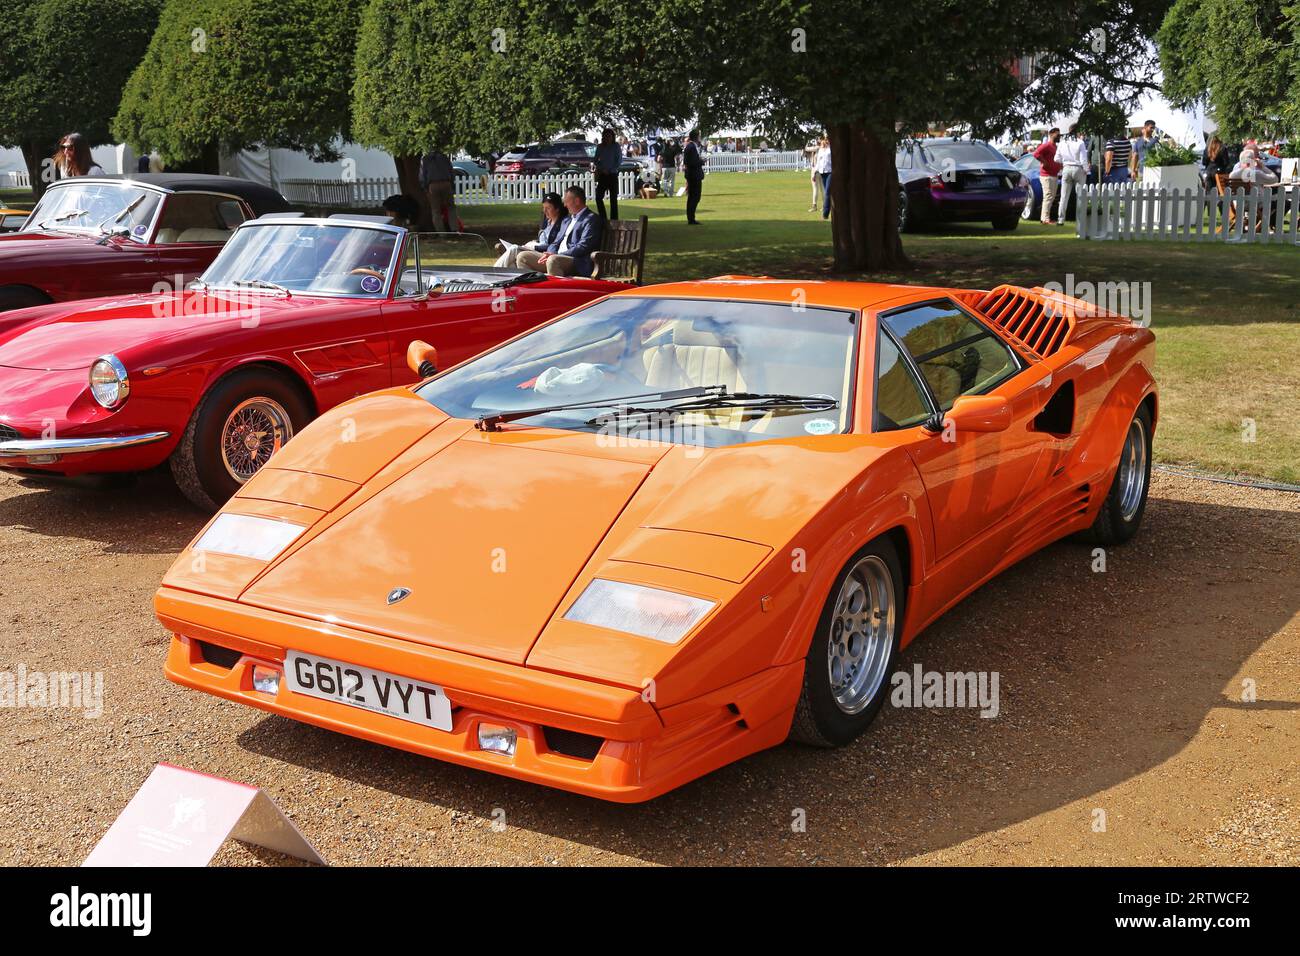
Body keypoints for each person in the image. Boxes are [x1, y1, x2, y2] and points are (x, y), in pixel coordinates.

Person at [516, 185, 600, 276]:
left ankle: (555, 290)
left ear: (577, 201)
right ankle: (535, 288)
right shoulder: (568, 220)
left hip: (576, 261)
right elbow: (556, 242)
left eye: (567, 201)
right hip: (557, 257)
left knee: (553, 261)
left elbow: (583, 247)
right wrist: (551, 252)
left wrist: (559, 254)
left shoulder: (591, 219)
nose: (564, 205)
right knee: (523, 257)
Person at [494, 192, 568, 267]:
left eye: (548, 208)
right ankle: (498, 275)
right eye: (543, 208)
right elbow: (542, 239)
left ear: (557, 209)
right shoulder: (547, 221)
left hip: (544, 253)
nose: (544, 211)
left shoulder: (563, 223)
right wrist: (534, 242)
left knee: (514, 249)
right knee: (511, 263)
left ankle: (494, 272)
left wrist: (534, 247)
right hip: (536, 250)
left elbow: (555, 244)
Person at [1056, 125, 1088, 223]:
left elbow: (1056, 158)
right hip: (1078, 168)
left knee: (1064, 196)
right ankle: (1080, 219)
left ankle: (1060, 219)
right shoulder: (1080, 143)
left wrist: (1064, 162)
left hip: (1066, 168)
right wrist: (1086, 169)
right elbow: (1083, 159)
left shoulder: (1062, 143)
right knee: (1080, 196)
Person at [419, 149, 457, 231]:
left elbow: (423, 175)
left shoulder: (425, 159)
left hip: (432, 185)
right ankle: (454, 229)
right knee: (451, 207)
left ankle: (441, 232)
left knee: (436, 210)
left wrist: (425, 188)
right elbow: (451, 171)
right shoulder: (444, 157)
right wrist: (451, 184)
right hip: (446, 183)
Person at [1033, 127, 1062, 224]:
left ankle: (1045, 218)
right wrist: (1044, 162)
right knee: (1048, 196)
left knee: (1052, 197)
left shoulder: (1055, 147)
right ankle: (1044, 219)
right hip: (1046, 175)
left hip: (1054, 175)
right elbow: (1036, 153)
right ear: (1051, 134)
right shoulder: (1046, 145)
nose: (1059, 137)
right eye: (1058, 135)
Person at [594, 128, 622, 220]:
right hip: (603, 175)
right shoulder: (600, 147)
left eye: (609, 136)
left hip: (612, 175)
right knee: (598, 197)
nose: (607, 138)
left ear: (612, 137)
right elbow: (595, 160)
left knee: (613, 199)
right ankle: (603, 217)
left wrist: (611, 170)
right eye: (605, 136)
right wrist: (602, 169)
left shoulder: (616, 146)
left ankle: (614, 219)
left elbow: (619, 161)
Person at [683, 129, 706, 225]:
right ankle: (691, 218)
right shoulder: (691, 147)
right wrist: (701, 161)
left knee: (692, 197)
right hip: (694, 175)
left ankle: (691, 218)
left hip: (692, 175)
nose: (700, 138)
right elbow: (692, 162)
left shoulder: (690, 146)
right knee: (695, 197)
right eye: (699, 136)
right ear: (696, 137)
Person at [812, 136, 832, 217]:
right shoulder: (820, 150)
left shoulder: (830, 149)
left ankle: (825, 212)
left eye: (825, 140)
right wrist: (814, 172)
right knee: (828, 192)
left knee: (827, 192)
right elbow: (818, 163)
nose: (823, 142)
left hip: (830, 172)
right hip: (822, 172)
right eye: (822, 141)